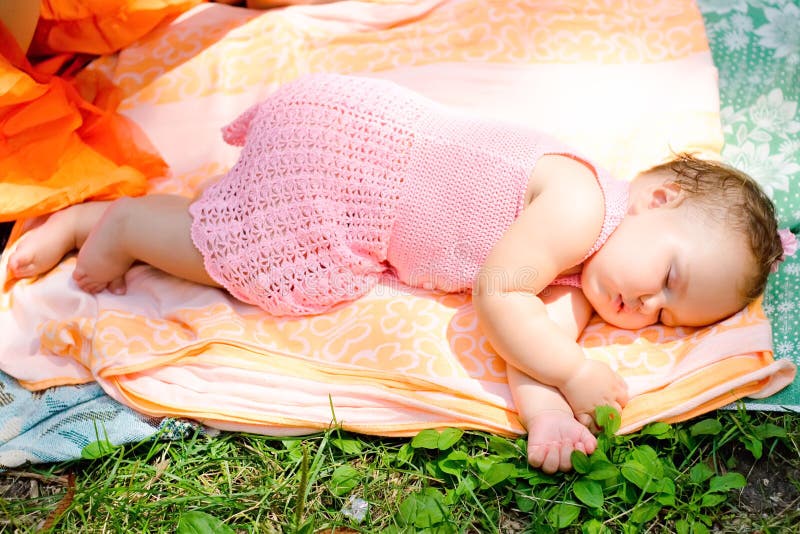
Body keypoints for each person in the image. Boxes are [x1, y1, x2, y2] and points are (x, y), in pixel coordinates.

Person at [6, 73, 787, 473]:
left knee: (242, 223)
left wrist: (548, 413)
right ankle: (121, 224)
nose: (644, 307)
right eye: (669, 280)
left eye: (663, 320)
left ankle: (125, 221)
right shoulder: (582, 206)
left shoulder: (587, 276)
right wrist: (579, 370)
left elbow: (526, 341)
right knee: (244, 257)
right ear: (657, 197)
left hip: (366, 157)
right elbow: (497, 297)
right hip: (351, 165)